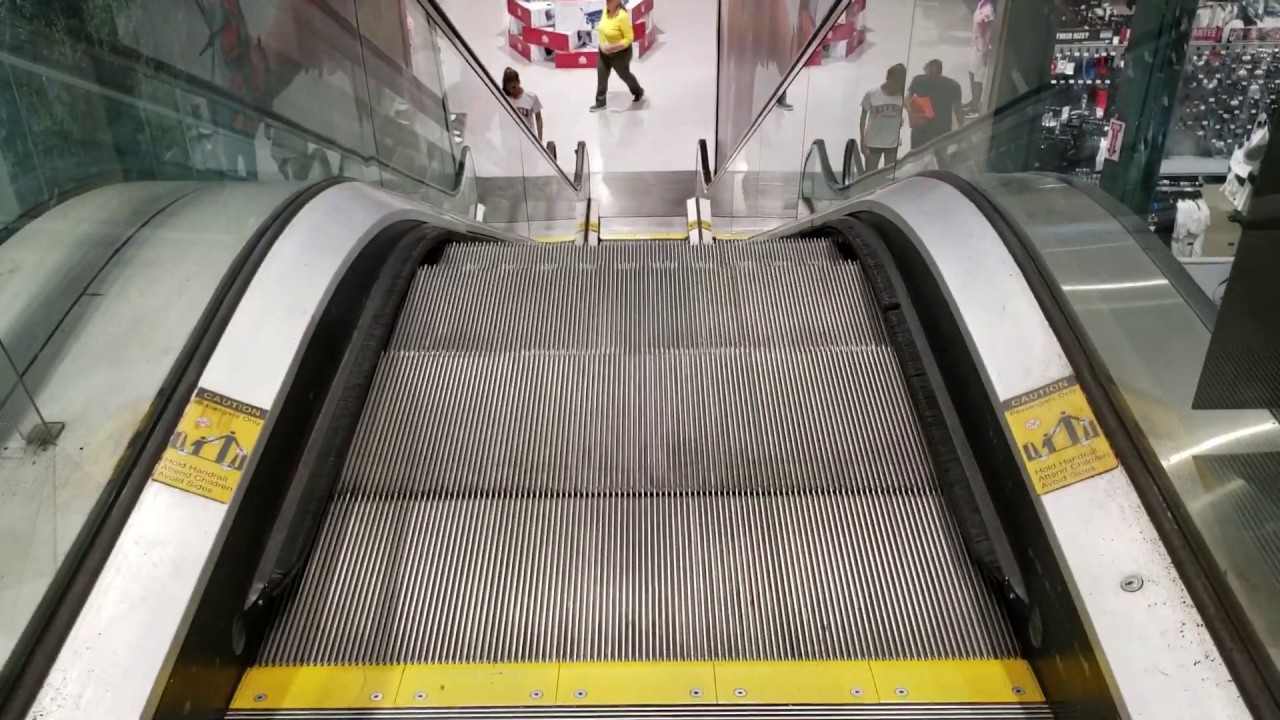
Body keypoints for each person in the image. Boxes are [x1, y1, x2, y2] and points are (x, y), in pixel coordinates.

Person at [591, 0, 644, 112]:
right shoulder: (605, 11)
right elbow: (602, 30)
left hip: (620, 54)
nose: (607, 2)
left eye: (610, 1)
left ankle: (638, 91)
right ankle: (600, 103)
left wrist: (614, 47)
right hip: (603, 53)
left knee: (624, 75)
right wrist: (602, 44)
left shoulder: (622, 16)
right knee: (601, 76)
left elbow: (629, 38)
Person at [906, 59, 965, 149]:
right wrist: (912, 115)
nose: (929, 76)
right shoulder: (918, 81)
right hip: (920, 131)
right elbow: (907, 99)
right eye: (928, 72)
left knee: (939, 154)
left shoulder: (952, 86)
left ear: (939, 73)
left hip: (940, 132)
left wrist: (962, 129)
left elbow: (958, 109)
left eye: (932, 73)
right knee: (918, 154)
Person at [860, 64, 906, 170]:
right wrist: (862, 142)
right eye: (894, 83)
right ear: (888, 78)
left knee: (889, 174)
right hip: (873, 141)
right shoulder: (872, 93)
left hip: (892, 143)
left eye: (899, 84)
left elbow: (910, 109)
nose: (896, 87)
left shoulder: (902, 95)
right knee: (871, 173)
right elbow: (862, 120)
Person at [503, 68, 544, 141]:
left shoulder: (531, 97)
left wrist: (540, 139)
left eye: (514, 87)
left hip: (529, 139)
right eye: (509, 89)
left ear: (518, 82)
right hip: (511, 140)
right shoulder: (505, 99)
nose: (512, 91)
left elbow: (538, 119)